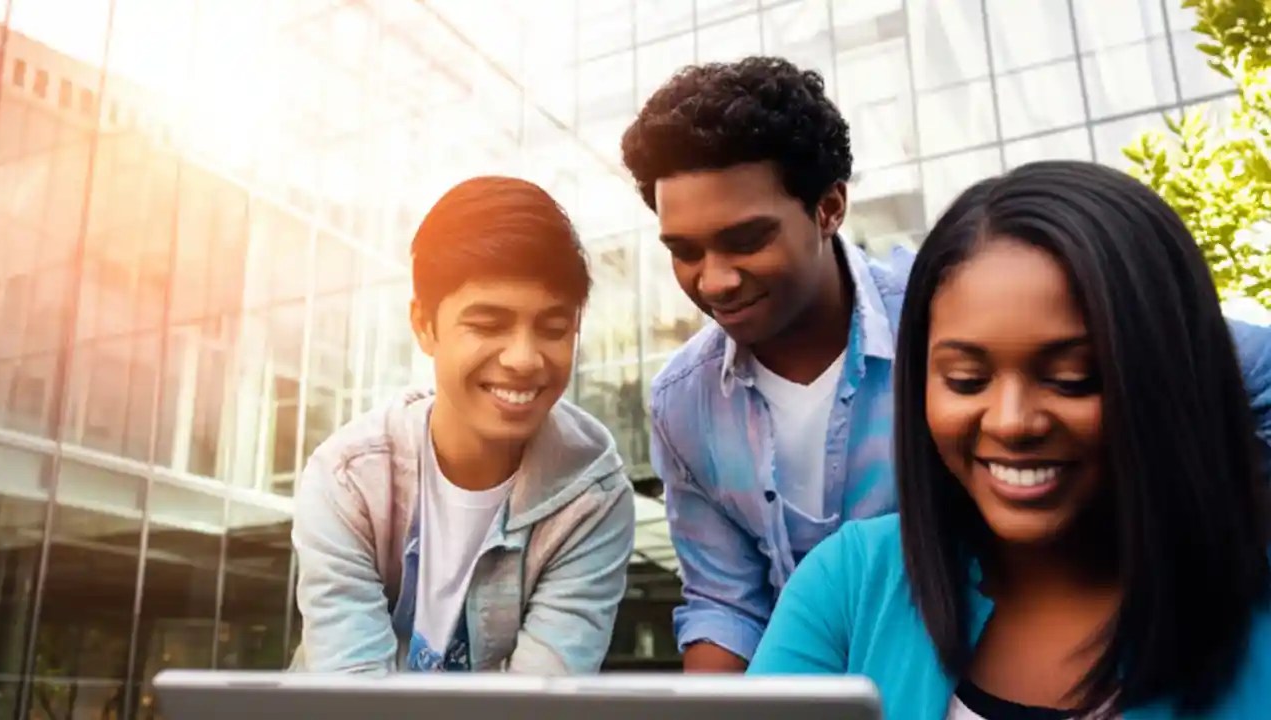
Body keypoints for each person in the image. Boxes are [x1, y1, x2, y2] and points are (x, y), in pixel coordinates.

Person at [620, 55, 1271, 673]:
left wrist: (1215, 553)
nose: (715, 280)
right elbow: (726, 604)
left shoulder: (956, 312)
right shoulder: (683, 401)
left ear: (829, 208)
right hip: (813, 679)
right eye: (685, 252)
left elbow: (1235, 367)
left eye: (746, 240)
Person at [748, 161, 1271, 718]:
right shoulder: (849, 585)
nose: (1011, 422)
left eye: (1072, 379)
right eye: (966, 380)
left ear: (1173, 373)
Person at [290, 176, 636, 674]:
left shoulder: (592, 498)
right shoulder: (350, 480)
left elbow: (540, 699)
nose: (524, 358)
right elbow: (352, 693)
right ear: (424, 325)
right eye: (488, 325)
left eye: (554, 329)